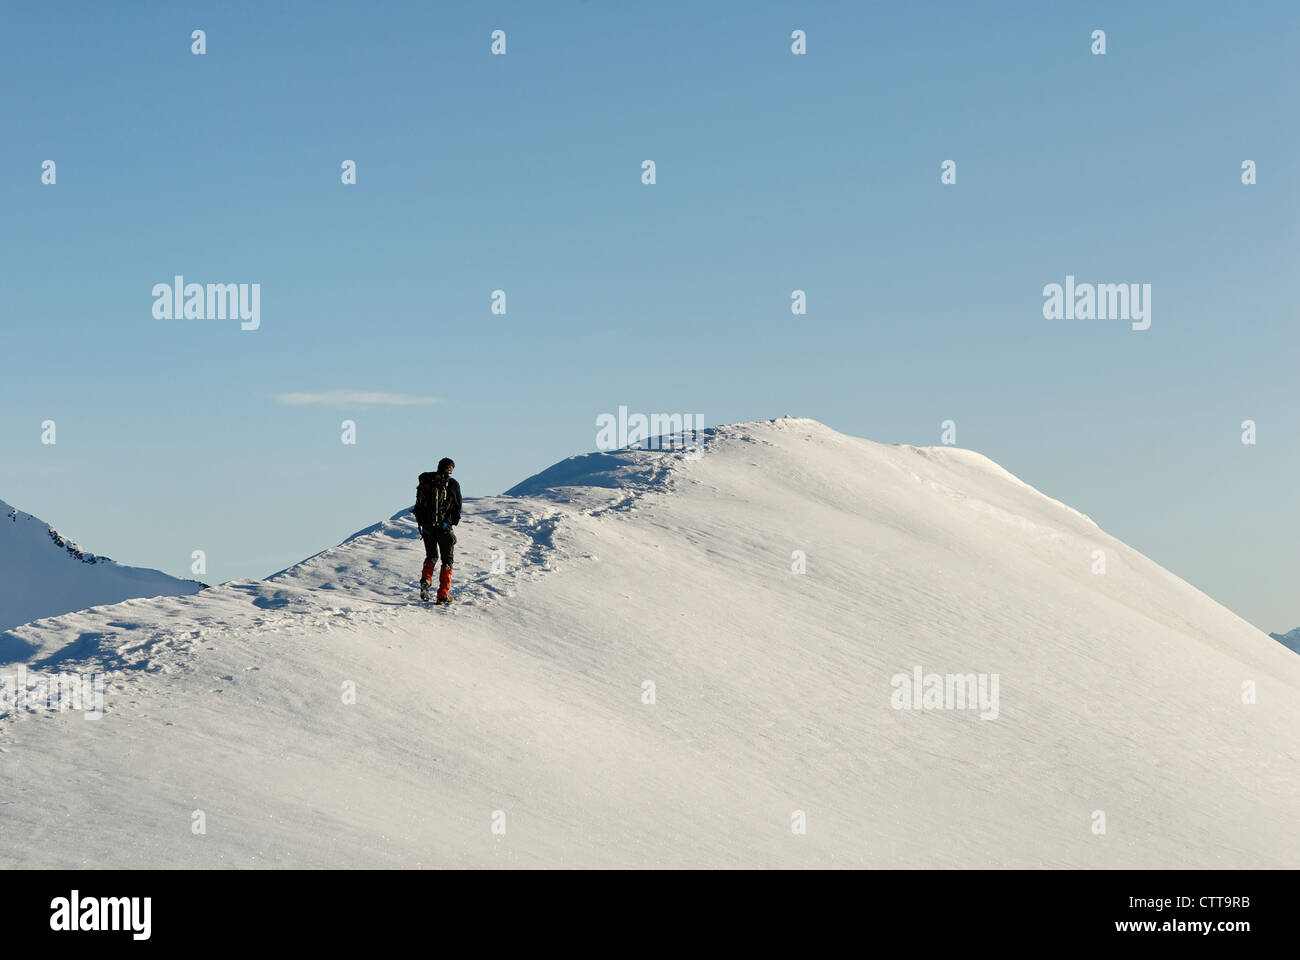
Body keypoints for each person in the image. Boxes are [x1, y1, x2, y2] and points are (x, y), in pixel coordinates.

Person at [413, 457, 462, 603]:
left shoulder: (426, 481)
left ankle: (426, 580)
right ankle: (443, 594)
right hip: (444, 528)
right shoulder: (452, 484)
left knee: (431, 556)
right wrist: (451, 522)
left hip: (427, 527)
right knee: (447, 560)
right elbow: (457, 508)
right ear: (451, 469)